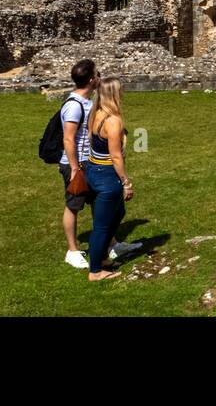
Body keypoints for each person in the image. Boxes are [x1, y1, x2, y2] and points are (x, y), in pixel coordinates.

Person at [60, 60, 140, 270]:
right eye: (97, 73)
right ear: (91, 79)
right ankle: (73, 251)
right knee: (73, 205)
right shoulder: (74, 105)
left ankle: (112, 244)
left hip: (92, 162)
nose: (99, 75)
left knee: (102, 206)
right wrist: (75, 167)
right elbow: (68, 139)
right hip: (78, 164)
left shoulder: (91, 104)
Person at [84, 77, 136, 281]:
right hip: (106, 175)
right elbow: (115, 156)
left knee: (118, 211)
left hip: (93, 170)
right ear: (115, 94)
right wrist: (126, 182)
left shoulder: (96, 113)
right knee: (102, 225)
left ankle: (102, 257)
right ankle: (95, 270)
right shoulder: (113, 121)